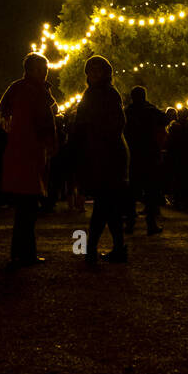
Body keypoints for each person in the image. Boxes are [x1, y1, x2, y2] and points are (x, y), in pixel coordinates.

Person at [0, 54, 58, 267]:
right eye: (42, 68)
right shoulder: (32, 91)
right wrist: (50, 144)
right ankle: (26, 253)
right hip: (29, 153)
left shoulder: (18, 89)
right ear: (31, 70)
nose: (45, 72)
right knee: (28, 207)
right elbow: (42, 123)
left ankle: (20, 251)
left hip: (20, 152)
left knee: (25, 207)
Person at [70, 55, 129, 264]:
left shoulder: (108, 94)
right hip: (98, 155)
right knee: (109, 205)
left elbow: (116, 124)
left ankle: (91, 249)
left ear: (106, 73)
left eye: (98, 70)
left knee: (103, 204)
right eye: (90, 70)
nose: (93, 74)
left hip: (108, 156)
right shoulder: (92, 94)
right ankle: (118, 248)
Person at [123, 86, 166, 235]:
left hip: (133, 155)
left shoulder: (127, 112)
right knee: (150, 192)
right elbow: (164, 119)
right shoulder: (151, 111)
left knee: (131, 193)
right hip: (149, 155)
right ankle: (151, 223)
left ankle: (130, 223)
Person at [165, 107, 188, 211]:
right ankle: (186, 200)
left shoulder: (173, 128)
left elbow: (169, 143)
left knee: (176, 178)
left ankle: (177, 200)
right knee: (186, 179)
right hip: (187, 156)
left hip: (176, 156)